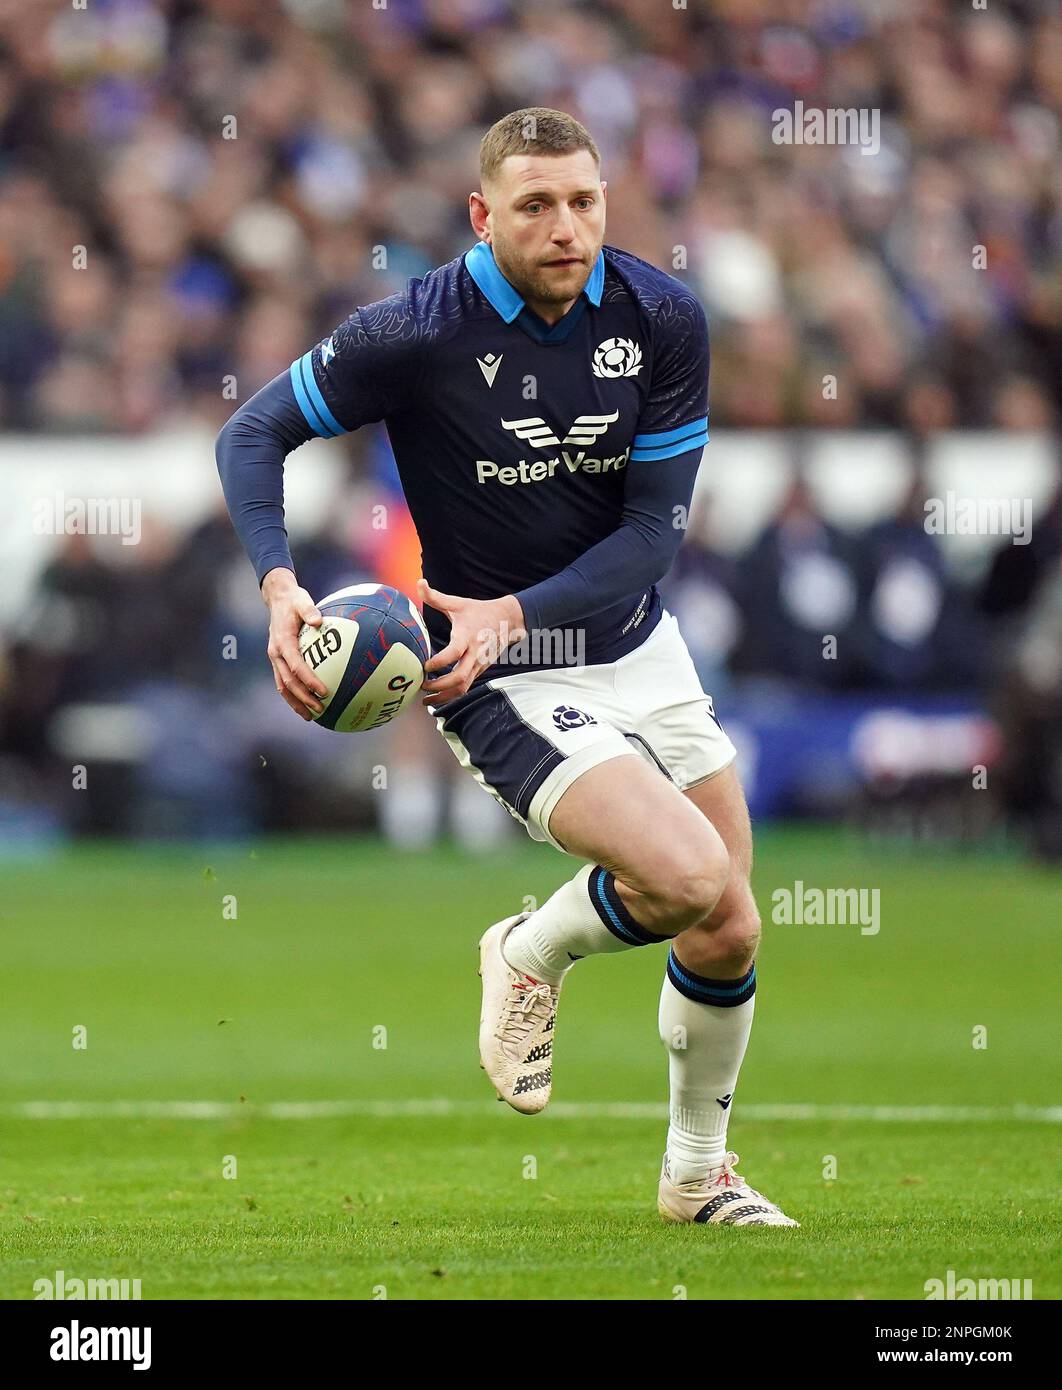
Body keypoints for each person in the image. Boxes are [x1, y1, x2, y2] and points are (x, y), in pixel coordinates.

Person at [216, 108, 797, 1228]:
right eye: (535, 205)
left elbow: (654, 536)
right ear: (483, 216)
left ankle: (697, 1174)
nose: (566, 226)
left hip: (634, 640)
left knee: (729, 922)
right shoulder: (418, 331)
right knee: (685, 877)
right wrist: (280, 584)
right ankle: (528, 953)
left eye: (584, 200)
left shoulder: (660, 318)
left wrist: (515, 607)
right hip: (500, 676)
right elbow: (251, 434)